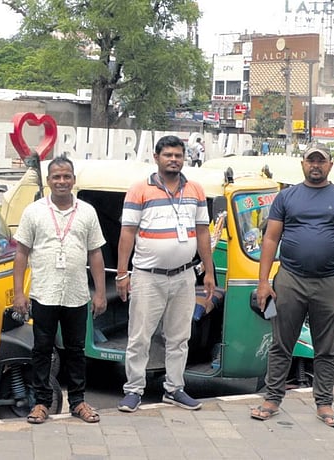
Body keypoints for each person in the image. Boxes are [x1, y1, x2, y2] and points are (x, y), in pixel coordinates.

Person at [251, 145, 334, 428]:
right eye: (311, 160)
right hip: (290, 279)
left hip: (331, 282)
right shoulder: (286, 197)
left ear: (330, 165)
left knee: (326, 348)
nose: (316, 165)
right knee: (281, 344)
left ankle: (324, 403)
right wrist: (263, 282)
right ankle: (272, 398)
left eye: (321, 161)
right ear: (302, 164)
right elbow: (270, 239)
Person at [115, 135, 215, 413]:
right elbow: (127, 233)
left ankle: (174, 388)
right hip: (148, 276)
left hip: (184, 276)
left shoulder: (195, 189)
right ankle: (133, 389)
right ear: (156, 157)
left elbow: (203, 232)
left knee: (179, 337)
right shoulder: (139, 190)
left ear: (185, 158)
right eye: (168, 155)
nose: (174, 160)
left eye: (178, 155)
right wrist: (122, 274)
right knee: (139, 337)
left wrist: (208, 271)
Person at [11, 156, 107, 424]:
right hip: (44, 292)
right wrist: (19, 293)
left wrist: (100, 292)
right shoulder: (34, 212)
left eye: (66, 177)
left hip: (76, 294)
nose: (62, 182)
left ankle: (78, 402)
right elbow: (21, 253)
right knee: (42, 348)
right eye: (56, 177)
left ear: (74, 180)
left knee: (76, 349)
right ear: (48, 181)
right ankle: (41, 403)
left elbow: (96, 253)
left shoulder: (87, 211)